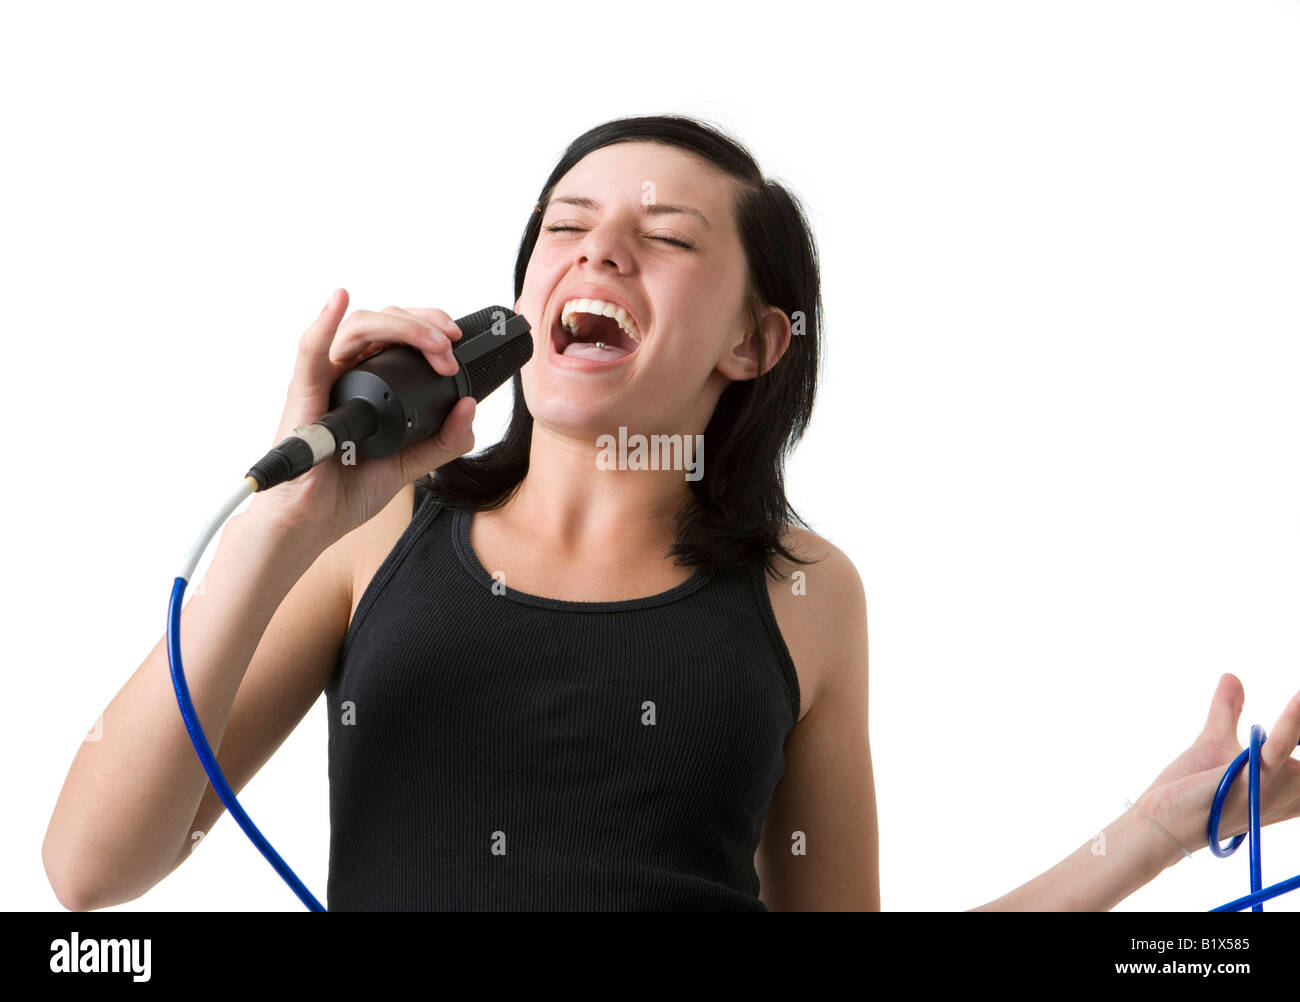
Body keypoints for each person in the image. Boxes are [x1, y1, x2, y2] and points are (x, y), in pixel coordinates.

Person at [42, 114, 1300, 911]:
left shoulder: (806, 590)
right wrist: (285, 518)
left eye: (665, 237)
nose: (595, 254)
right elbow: (91, 873)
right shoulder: (367, 539)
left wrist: (1147, 837)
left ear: (756, 341)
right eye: (567, 228)